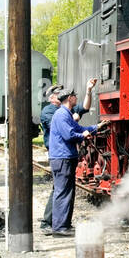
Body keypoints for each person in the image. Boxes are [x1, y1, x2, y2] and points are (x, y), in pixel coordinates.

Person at [38, 79, 97, 231]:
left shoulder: (66, 112)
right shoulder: (57, 114)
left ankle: (62, 224)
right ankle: (56, 226)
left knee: (65, 191)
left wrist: (97, 127)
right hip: (60, 155)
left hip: (65, 155)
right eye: (74, 96)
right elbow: (68, 133)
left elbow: (82, 118)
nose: (75, 98)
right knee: (61, 191)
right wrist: (81, 133)